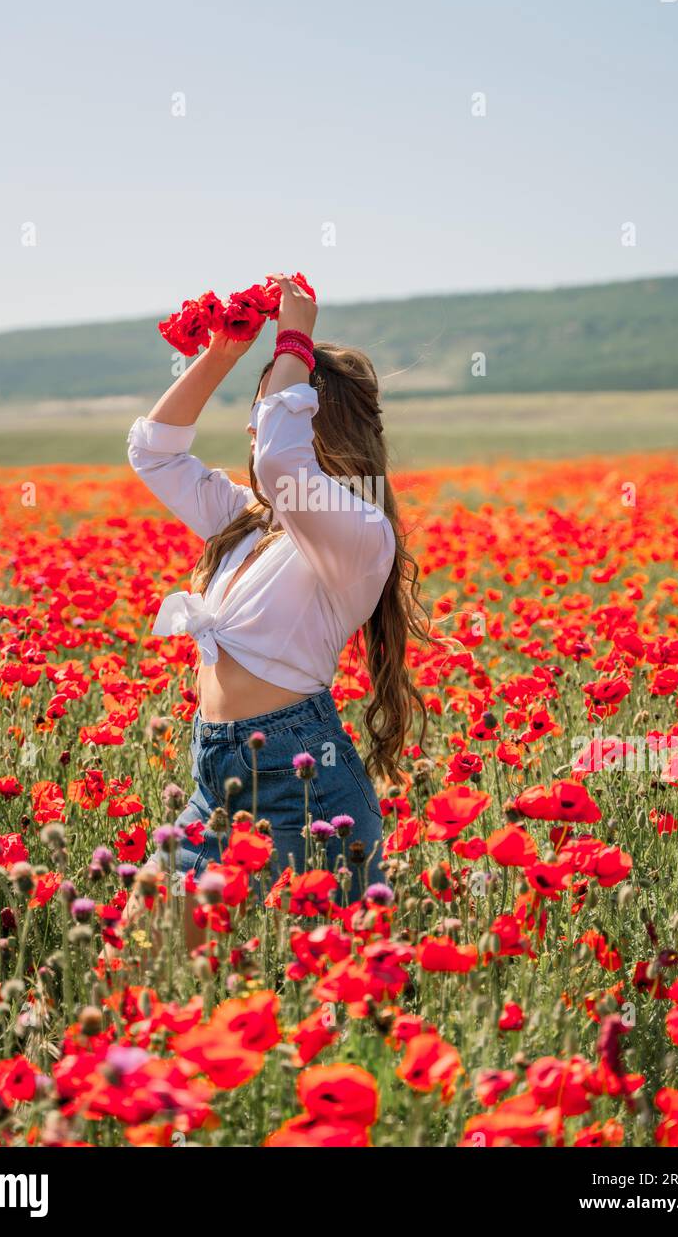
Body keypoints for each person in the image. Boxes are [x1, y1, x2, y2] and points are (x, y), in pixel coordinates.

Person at [123, 274, 428, 943]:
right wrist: (225, 352)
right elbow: (153, 451)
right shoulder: (248, 519)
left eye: (265, 408)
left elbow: (282, 462)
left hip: (300, 787)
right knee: (148, 958)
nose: (251, 425)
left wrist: (294, 337)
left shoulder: (357, 533)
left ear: (312, 417)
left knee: (300, 993)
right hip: (216, 777)